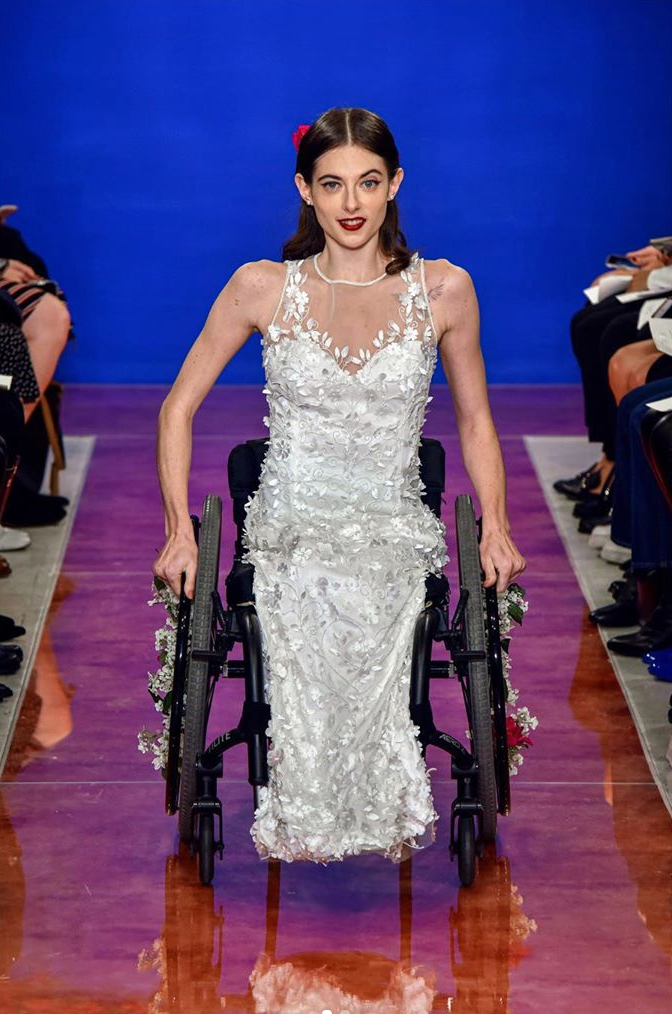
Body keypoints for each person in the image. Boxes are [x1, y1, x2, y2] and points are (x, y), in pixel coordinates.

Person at [153, 107, 525, 865]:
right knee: (309, 586)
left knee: (381, 590)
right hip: (290, 523)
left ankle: (376, 798)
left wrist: (497, 523)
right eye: (332, 184)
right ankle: (310, 801)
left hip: (393, 522)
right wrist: (178, 530)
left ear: (394, 185)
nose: (351, 203)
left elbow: (477, 421)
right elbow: (177, 406)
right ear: (306, 190)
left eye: (367, 182)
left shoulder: (444, 289)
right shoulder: (262, 287)